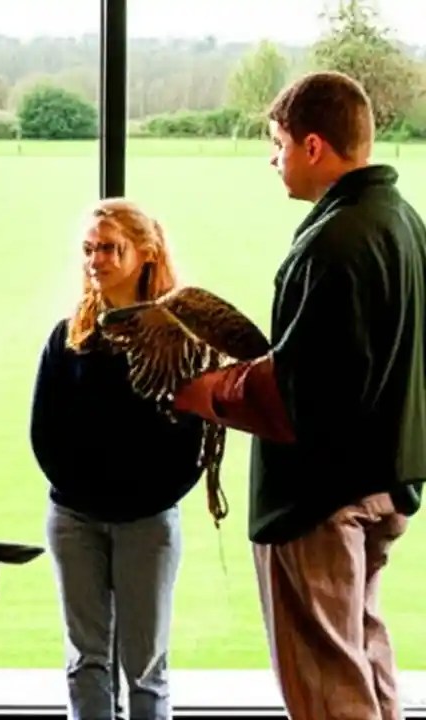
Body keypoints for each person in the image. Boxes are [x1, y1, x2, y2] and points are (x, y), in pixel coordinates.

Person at [173, 71, 425, 720]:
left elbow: (302, 395)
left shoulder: (333, 242)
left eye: (278, 144)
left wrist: (203, 391)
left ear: (314, 146)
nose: (273, 160)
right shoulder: (400, 220)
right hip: (383, 481)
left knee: (327, 694)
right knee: (365, 669)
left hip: (321, 502)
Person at [29, 198, 204, 720]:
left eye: (109, 248)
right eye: (88, 249)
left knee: (145, 666)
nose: (95, 260)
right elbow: (45, 434)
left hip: (147, 523)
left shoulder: (179, 340)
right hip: (75, 520)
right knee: (86, 660)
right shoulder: (69, 336)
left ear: (145, 253)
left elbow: (193, 444)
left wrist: (138, 500)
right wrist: (87, 497)